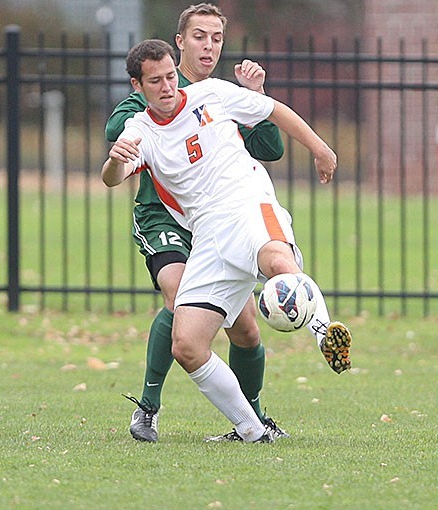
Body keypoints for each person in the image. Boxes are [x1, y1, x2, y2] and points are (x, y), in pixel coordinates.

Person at [102, 38, 352, 443]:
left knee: (278, 261)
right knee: (187, 344)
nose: (167, 87)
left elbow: (273, 110)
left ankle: (325, 333)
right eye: (155, 81)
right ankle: (251, 430)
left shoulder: (212, 93)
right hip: (208, 235)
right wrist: (115, 160)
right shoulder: (140, 130)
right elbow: (112, 178)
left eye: (170, 76)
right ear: (137, 86)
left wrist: (320, 148)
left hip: (248, 202)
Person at [106, 3, 285, 443]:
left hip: (220, 221)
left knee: (246, 329)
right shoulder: (161, 85)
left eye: (216, 38)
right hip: (163, 217)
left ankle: (252, 419)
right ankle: (148, 407)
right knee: (179, 293)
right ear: (179, 42)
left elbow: (270, 148)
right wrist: (146, 120)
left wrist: (256, 95)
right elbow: (118, 128)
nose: (209, 46)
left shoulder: (219, 95)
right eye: (199, 37)